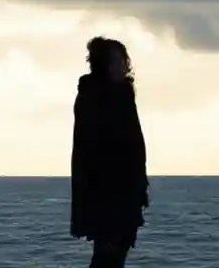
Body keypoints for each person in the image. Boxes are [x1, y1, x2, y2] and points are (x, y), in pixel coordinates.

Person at [70, 37, 149, 268]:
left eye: (123, 60)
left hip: (125, 188)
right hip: (105, 189)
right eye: (116, 61)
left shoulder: (122, 94)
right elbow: (92, 147)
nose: (122, 66)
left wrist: (138, 186)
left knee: (117, 249)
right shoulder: (94, 95)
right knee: (108, 252)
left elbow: (134, 146)